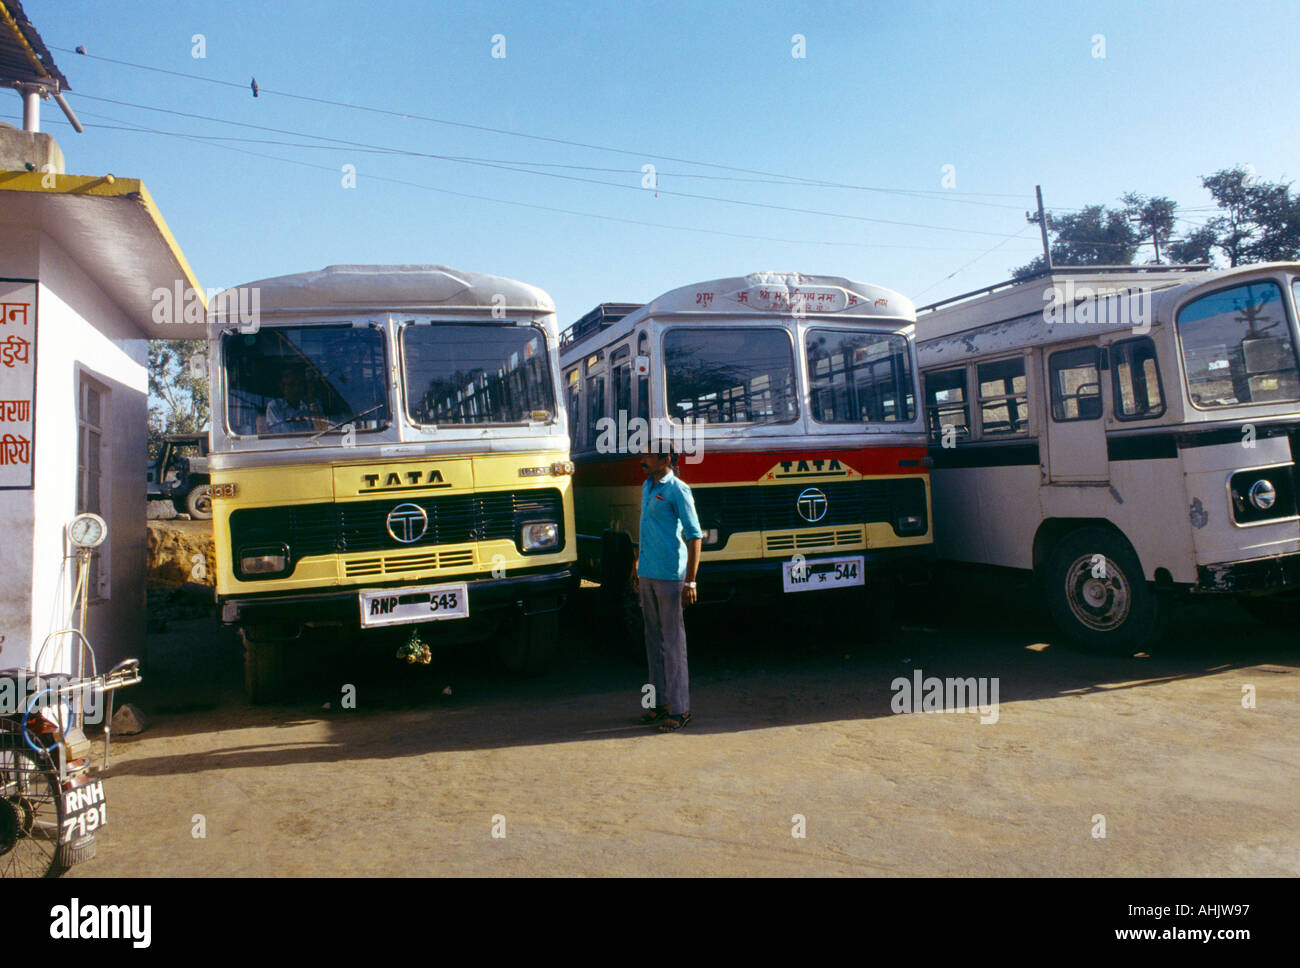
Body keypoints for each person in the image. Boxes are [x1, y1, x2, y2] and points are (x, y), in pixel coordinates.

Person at [633, 444, 703, 732]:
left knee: (673, 643)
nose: (644, 460)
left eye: (649, 456)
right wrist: (636, 565)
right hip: (647, 574)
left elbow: (695, 535)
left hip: (671, 577)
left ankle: (680, 709)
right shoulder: (647, 486)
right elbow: (644, 529)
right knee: (653, 641)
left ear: (666, 459)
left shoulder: (678, 489)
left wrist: (691, 580)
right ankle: (659, 704)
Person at [265, 365, 324, 433]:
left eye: (299, 384)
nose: (296, 389)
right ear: (283, 388)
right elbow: (276, 433)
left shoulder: (313, 404)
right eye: (291, 385)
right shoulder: (275, 406)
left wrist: (311, 400)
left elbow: (322, 430)